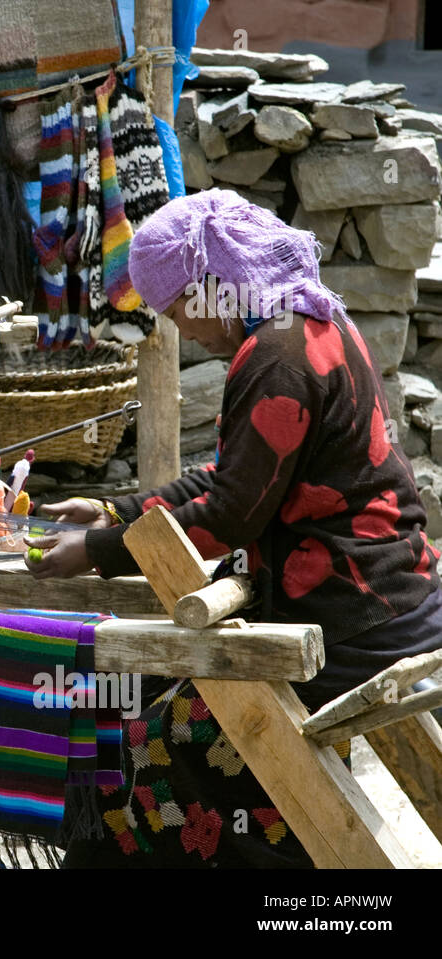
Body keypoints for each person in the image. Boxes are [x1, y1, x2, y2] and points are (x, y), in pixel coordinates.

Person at [25, 188, 442, 867]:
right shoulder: (313, 318)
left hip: (349, 624)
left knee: (141, 752)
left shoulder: (276, 356)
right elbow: (234, 476)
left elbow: (228, 516)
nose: (185, 332)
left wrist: (97, 552)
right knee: (159, 716)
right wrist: (117, 512)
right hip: (391, 602)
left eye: (178, 311)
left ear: (210, 285)